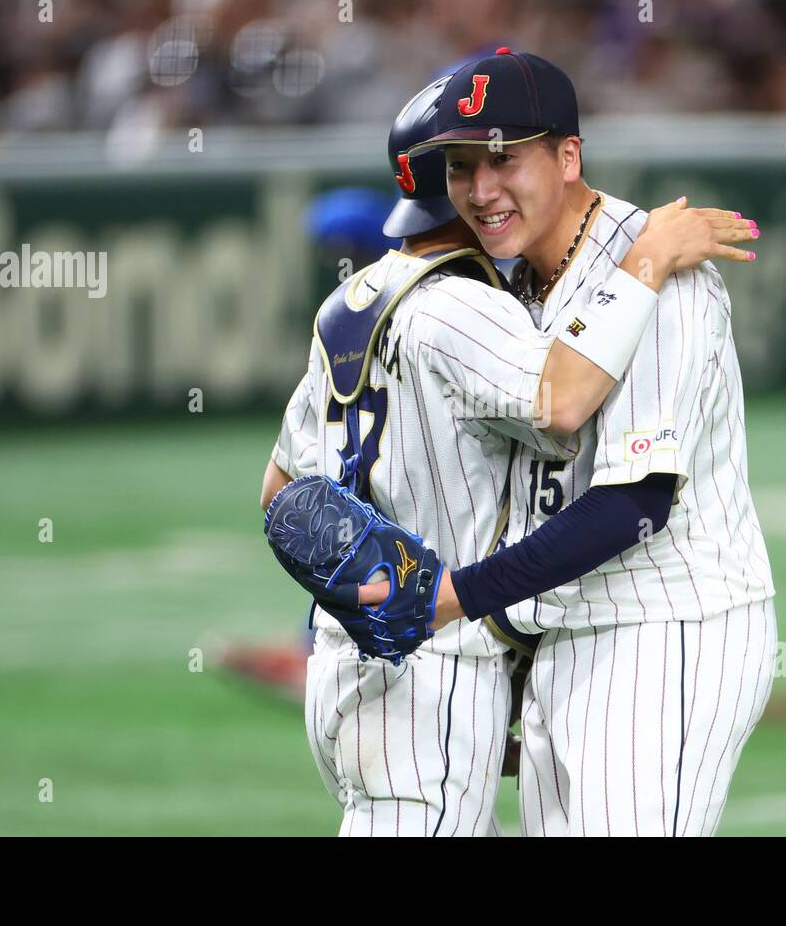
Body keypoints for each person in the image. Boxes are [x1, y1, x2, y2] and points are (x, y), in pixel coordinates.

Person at [263, 72, 755, 836]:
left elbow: (636, 503)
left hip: (666, 620)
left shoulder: (663, 276)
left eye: (503, 160)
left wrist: (447, 600)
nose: (481, 187)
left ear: (567, 156)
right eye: (462, 167)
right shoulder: (502, 281)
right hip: (550, 632)